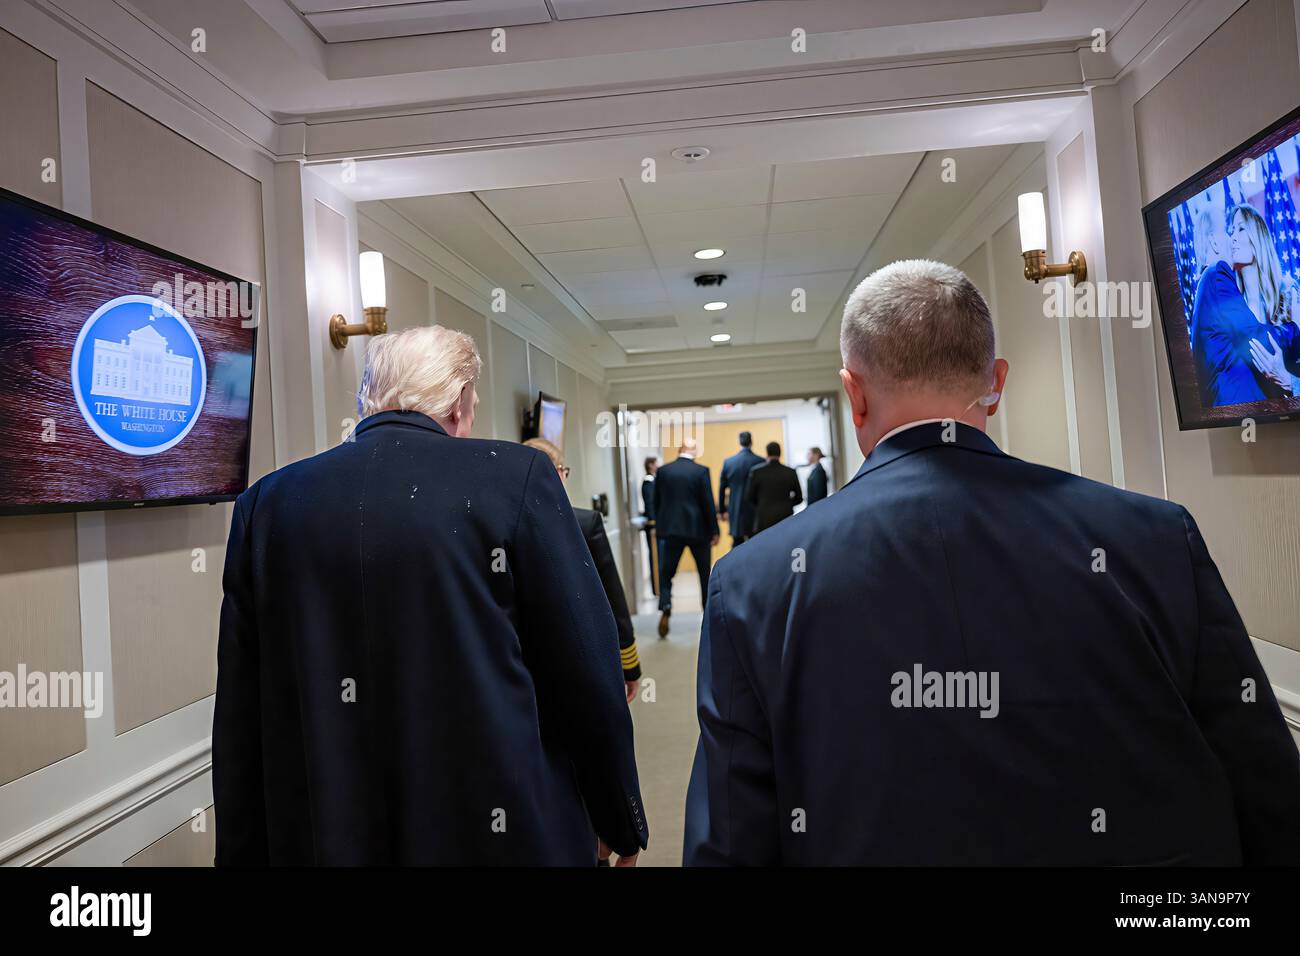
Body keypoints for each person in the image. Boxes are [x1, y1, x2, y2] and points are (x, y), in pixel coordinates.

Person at [683, 259, 1300, 866]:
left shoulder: (752, 582)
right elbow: (1262, 781)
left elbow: (732, 838)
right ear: (996, 380)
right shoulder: (1155, 537)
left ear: (854, 394)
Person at [213, 325, 647, 866]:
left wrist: (237, 855)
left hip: (323, 837)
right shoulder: (517, 476)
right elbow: (586, 670)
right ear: (460, 399)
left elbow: (239, 710)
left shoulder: (267, 505)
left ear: (370, 397)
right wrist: (618, 818)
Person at [525, 437, 642, 705]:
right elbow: (612, 598)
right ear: (557, 473)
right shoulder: (585, 524)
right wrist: (629, 664)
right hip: (579, 659)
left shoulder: (497, 525)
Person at [1191, 202, 1299, 406]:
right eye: (1229, 230)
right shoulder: (1222, 286)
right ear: (1214, 242)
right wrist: (1297, 327)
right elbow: (1258, 340)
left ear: (1257, 236)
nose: (1232, 237)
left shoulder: (1289, 294)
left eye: (1240, 229)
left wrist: (1290, 382)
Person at [652, 438, 719, 638]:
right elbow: (707, 502)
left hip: (671, 530)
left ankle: (665, 605)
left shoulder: (663, 471)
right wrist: (714, 530)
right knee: (703, 573)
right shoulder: (701, 471)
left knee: (666, 572)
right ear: (694, 452)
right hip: (698, 531)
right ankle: (708, 614)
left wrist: (660, 525)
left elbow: (656, 501)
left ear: (679, 450)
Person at [743, 441, 802, 535]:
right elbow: (799, 498)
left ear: (767, 453)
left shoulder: (756, 472)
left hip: (764, 519)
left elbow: (749, 497)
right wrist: (787, 503)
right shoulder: (790, 472)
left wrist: (762, 504)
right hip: (786, 517)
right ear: (780, 453)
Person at [718, 431, 764, 546]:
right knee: (756, 545)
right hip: (756, 510)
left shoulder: (729, 462)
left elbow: (722, 487)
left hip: (735, 509)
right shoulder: (760, 461)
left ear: (740, 442)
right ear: (751, 442)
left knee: (737, 544)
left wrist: (722, 510)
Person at [641, 457, 659, 595]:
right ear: (650, 465)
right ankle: (656, 588)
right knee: (654, 557)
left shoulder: (653, 480)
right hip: (653, 526)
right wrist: (654, 521)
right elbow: (650, 503)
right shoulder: (648, 482)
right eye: (655, 463)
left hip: (655, 525)